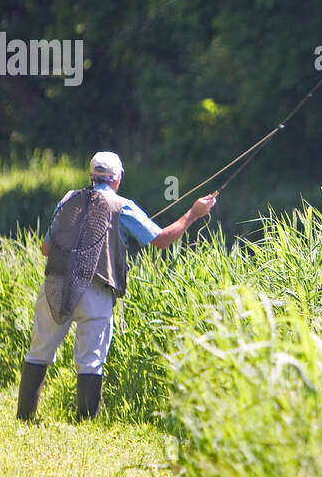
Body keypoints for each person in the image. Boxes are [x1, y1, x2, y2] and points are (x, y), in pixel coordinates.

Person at [16, 151, 216, 420]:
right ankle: (85, 423)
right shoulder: (123, 206)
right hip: (96, 291)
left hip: (56, 284)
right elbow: (161, 240)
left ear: (91, 175)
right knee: (91, 361)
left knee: (39, 352)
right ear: (117, 178)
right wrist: (194, 213)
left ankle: (24, 419)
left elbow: (45, 248)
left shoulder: (67, 199)